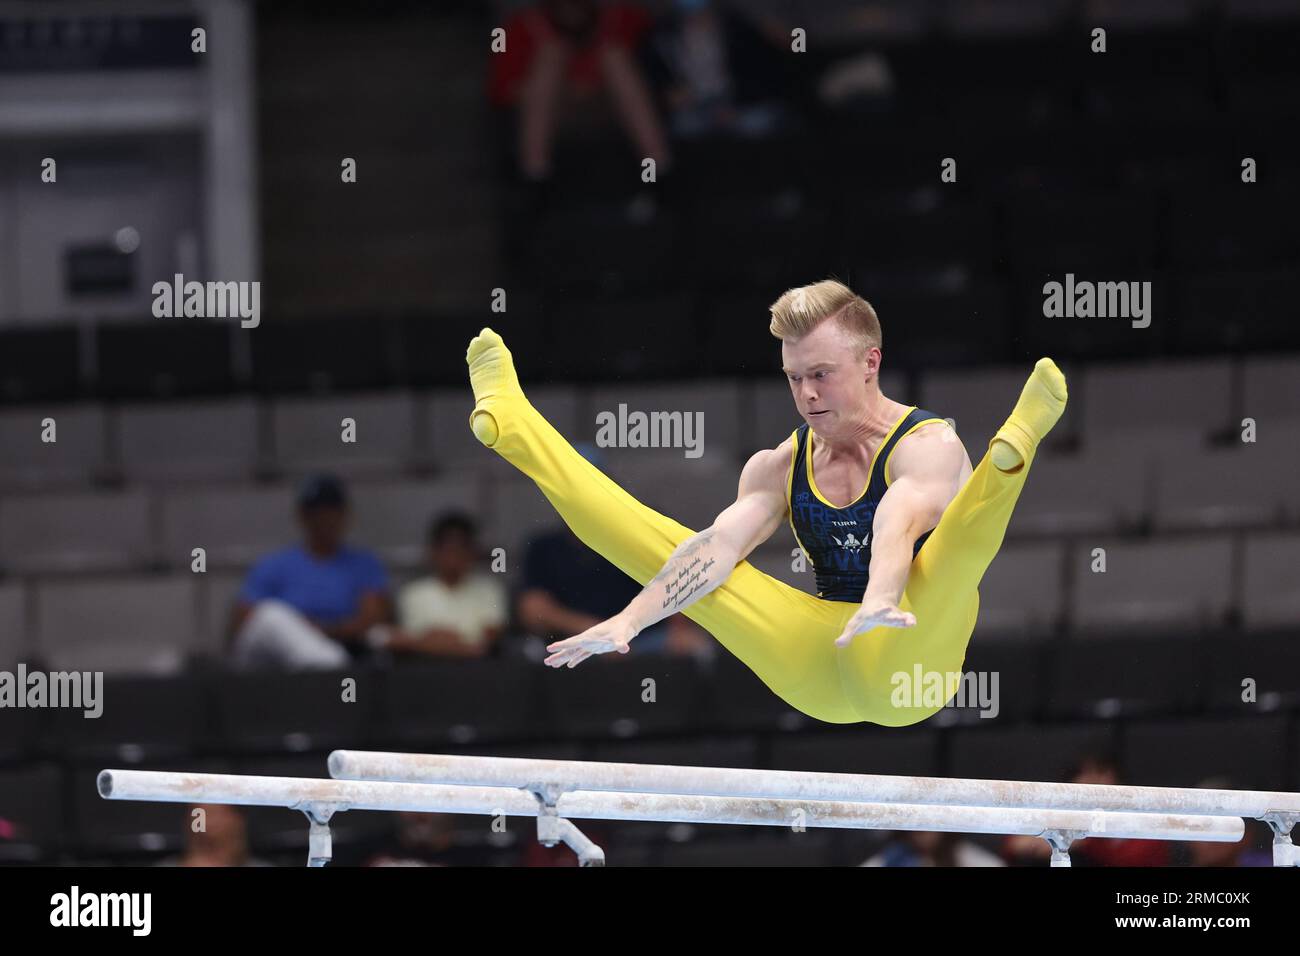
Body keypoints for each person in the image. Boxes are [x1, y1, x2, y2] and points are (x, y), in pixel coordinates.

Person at [464, 277, 1067, 726]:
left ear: (870, 363)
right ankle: (517, 426)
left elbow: (897, 524)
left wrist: (880, 601)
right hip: (815, 662)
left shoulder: (927, 445)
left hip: (910, 669)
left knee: (951, 562)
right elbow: (716, 548)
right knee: (677, 547)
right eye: (793, 377)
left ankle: (1011, 452)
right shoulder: (778, 465)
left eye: (822, 374)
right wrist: (631, 621)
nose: (805, 394)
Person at [230, 474, 391, 669]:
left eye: (331, 511)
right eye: (315, 512)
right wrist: (300, 628)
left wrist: (320, 630)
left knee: (374, 640)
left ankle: (325, 663)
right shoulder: (274, 564)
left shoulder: (363, 564)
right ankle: (325, 664)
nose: (324, 519)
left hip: (339, 649)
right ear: (302, 516)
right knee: (271, 615)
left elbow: (372, 619)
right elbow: (247, 621)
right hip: (272, 658)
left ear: (345, 515)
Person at [376, 512, 507, 659]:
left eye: (461, 548)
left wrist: (439, 642)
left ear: (472, 552)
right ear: (433, 551)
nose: (454, 557)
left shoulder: (490, 590)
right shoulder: (412, 593)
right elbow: (411, 641)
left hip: (476, 671)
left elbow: (488, 640)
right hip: (425, 670)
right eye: (448, 549)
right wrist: (461, 644)